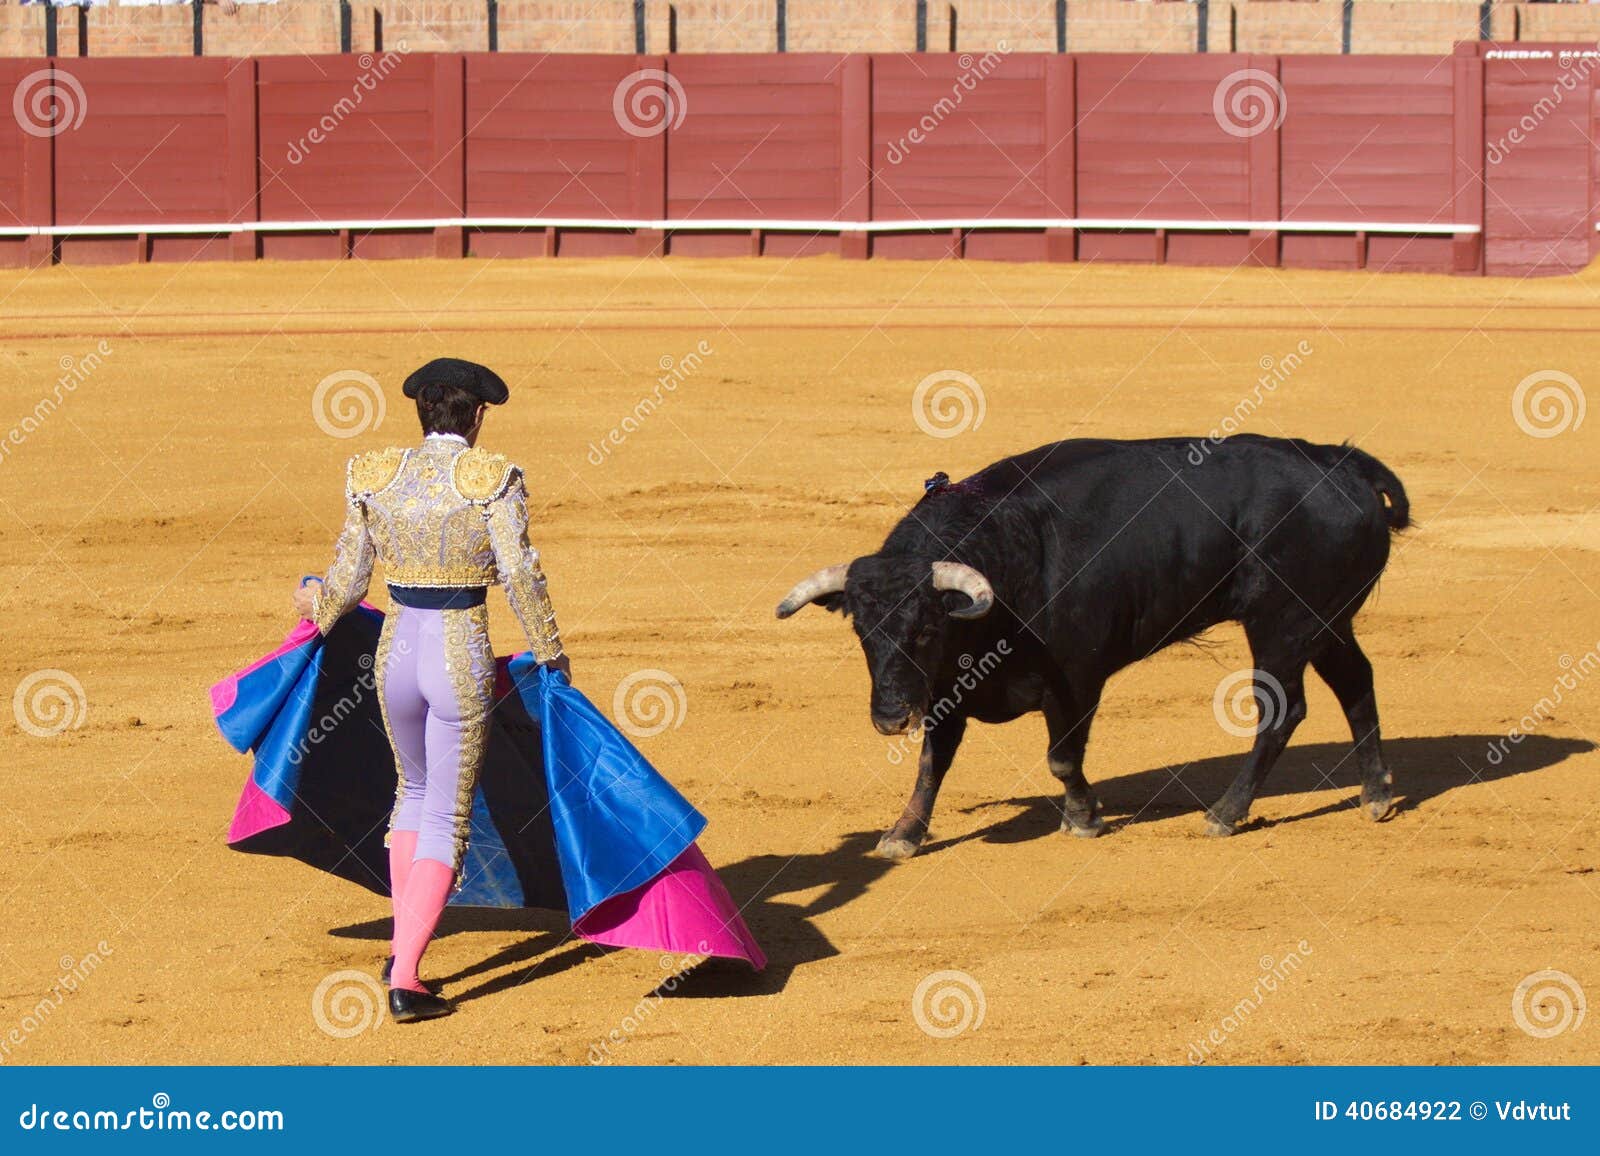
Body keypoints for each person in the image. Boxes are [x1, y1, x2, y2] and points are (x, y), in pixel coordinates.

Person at [292, 357, 567, 1023]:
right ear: (476, 416)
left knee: (410, 799)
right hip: (457, 652)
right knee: (447, 815)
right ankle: (407, 979)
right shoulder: (491, 478)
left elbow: (349, 579)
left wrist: (315, 609)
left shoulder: (375, 473)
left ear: (423, 412)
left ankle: (402, 947)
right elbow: (522, 577)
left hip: (395, 656)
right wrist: (553, 653)